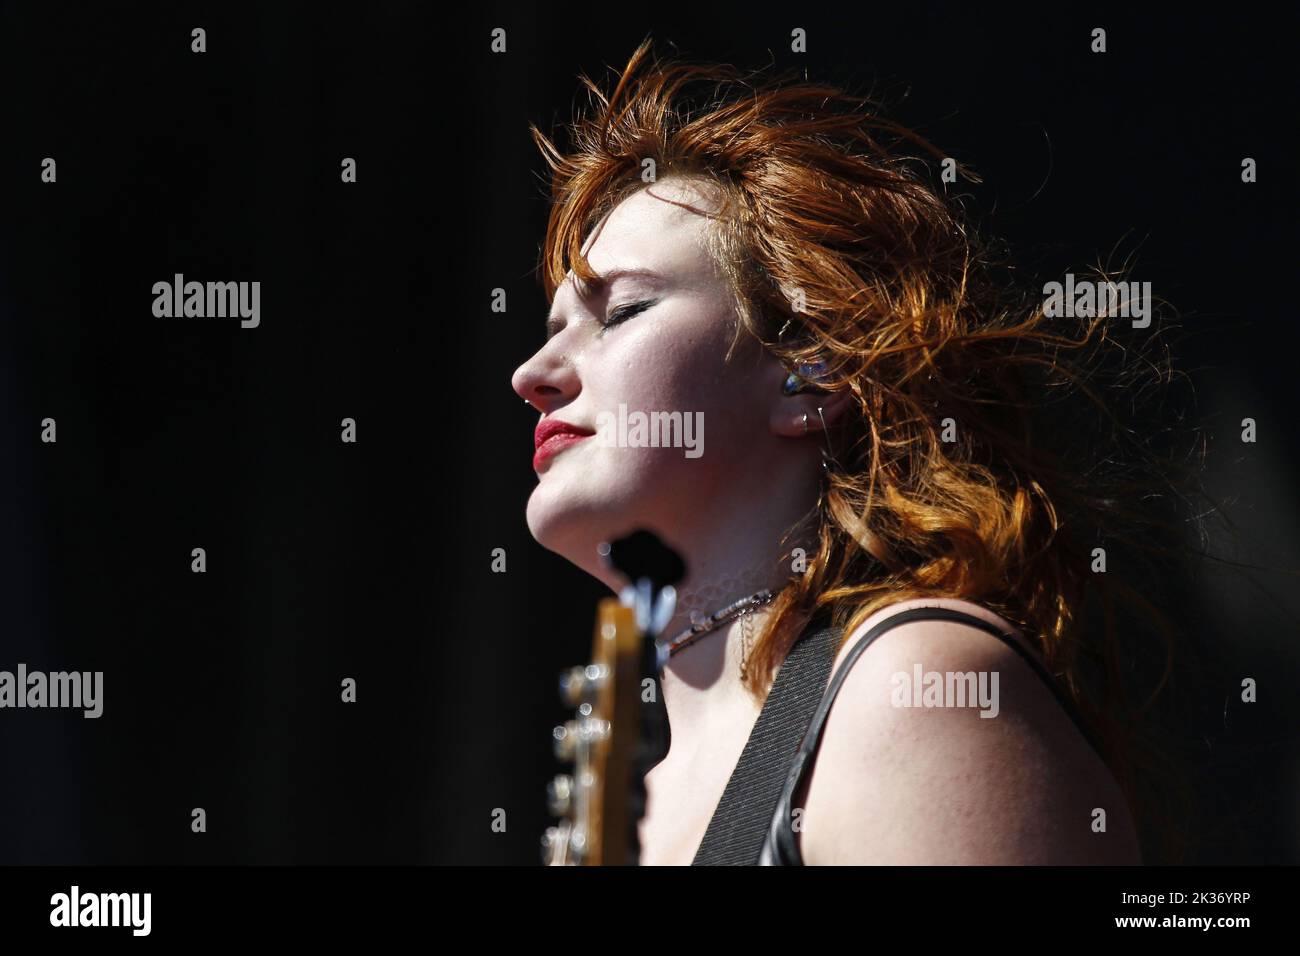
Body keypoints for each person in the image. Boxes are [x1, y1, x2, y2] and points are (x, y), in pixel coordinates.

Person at [511, 38, 1197, 865]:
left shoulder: (913, 692)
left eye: (621, 312)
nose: (531, 375)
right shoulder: (641, 804)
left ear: (810, 372)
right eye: (551, 331)